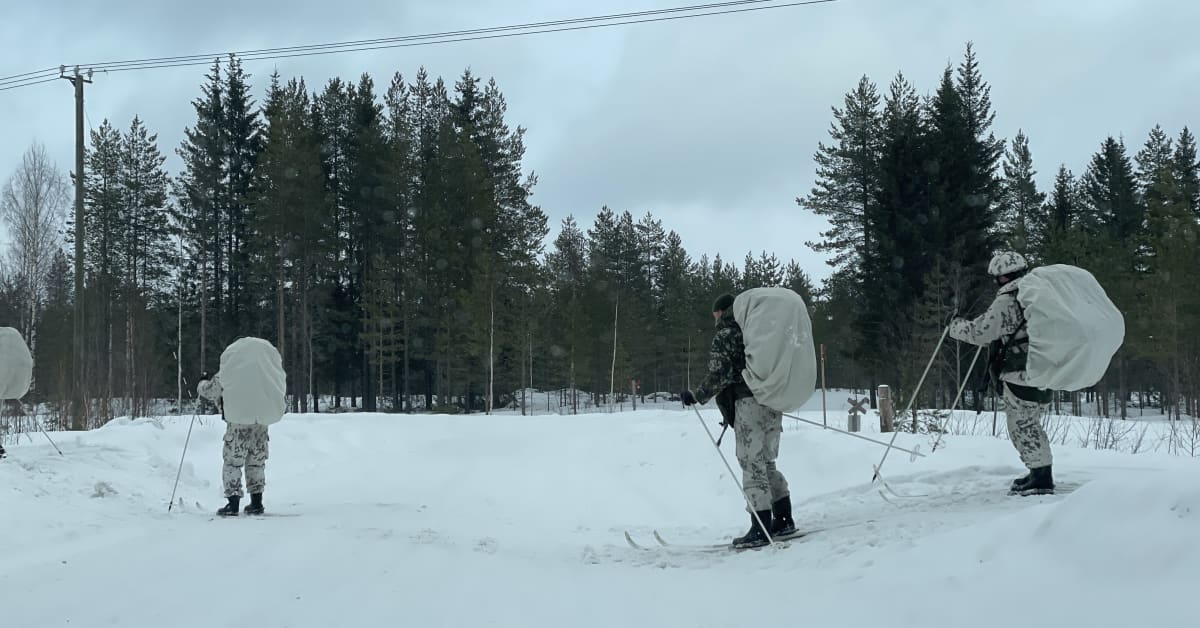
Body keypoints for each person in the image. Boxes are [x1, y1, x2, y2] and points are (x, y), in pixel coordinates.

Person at [682, 293, 793, 548]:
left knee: (750, 462)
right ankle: (784, 518)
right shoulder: (757, 332)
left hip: (748, 404)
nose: (715, 319)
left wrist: (696, 395)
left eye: (715, 315)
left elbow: (720, 373)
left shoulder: (726, 334)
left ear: (722, 312)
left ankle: (760, 527)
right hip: (773, 402)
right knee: (767, 461)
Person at [949, 251, 1055, 495]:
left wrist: (954, 326)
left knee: (1022, 425)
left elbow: (979, 333)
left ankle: (1041, 478)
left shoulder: (1008, 300)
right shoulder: (1039, 294)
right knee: (1031, 423)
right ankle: (1039, 471)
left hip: (1019, 373)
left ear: (1001, 277)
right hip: (1044, 368)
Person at [197, 336, 288, 516]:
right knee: (256, 462)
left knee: (233, 462)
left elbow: (211, 390)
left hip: (238, 421)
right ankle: (256, 503)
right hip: (261, 421)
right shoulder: (268, 371)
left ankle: (233, 503)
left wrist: (202, 382)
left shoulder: (230, 371)